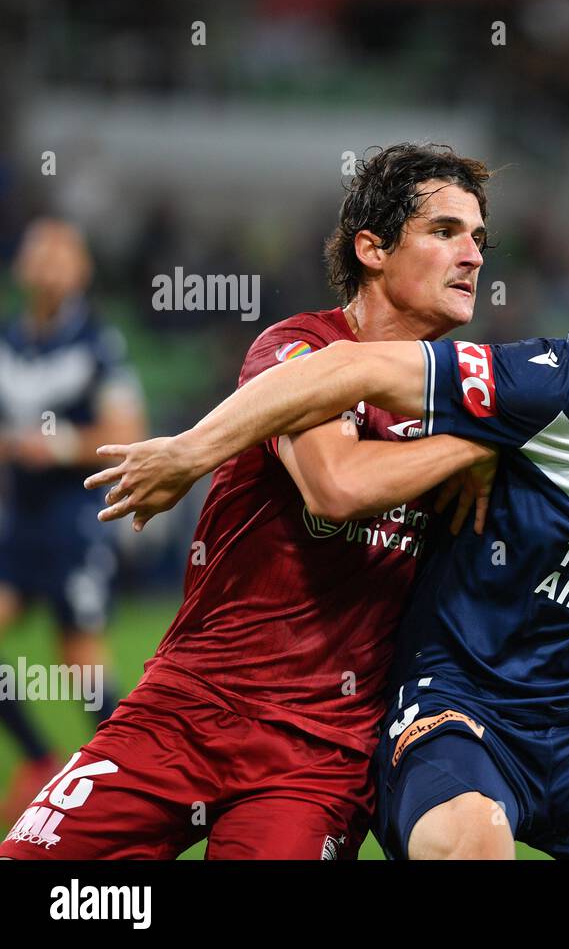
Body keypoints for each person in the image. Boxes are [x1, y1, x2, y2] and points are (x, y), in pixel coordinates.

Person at [81, 202, 569, 859]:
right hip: (459, 710)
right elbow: (347, 368)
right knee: (475, 843)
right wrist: (191, 451)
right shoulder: (556, 381)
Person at [0, 144, 498, 858]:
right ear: (372, 249)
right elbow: (338, 485)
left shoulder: (467, 393)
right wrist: (476, 448)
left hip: (317, 752)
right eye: (446, 231)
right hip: (186, 708)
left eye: (479, 238)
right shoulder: (296, 351)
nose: (474, 255)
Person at [0, 219, 146, 825]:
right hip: (19, 524)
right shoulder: (10, 343)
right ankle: (39, 759)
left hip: (76, 522)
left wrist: (55, 447)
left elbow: (128, 435)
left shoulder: (98, 344)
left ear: (81, 270)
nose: (49, 265)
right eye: (40, 253)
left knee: (81, 666)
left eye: (62, 255)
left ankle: (132, 785)